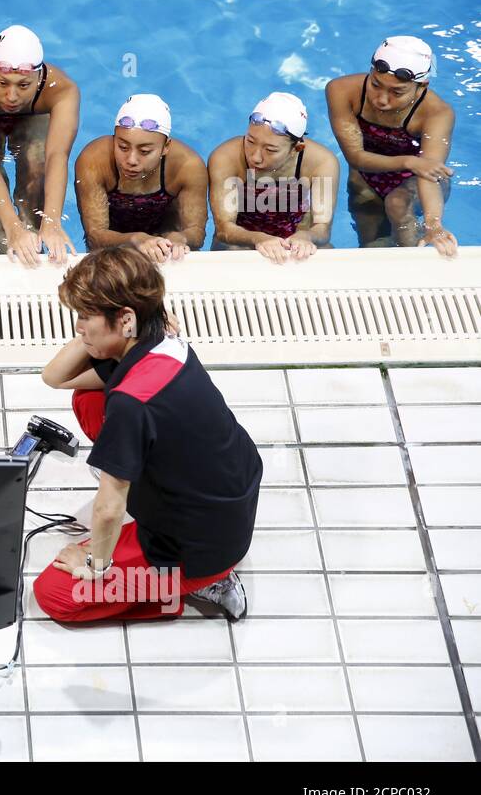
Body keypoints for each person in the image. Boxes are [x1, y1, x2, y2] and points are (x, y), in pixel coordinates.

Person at [34, 246, 260, 622]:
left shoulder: (131, 402)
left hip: (197, 546)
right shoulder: (164, 341)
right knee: (88, 398)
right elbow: (56, 377)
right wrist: (126, 317)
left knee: (56, 595)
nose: (77, 326)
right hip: (226, 496)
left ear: (125, 319)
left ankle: (201, 584)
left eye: (86, 316)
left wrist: (94, 565)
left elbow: (107, 511)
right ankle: (184, 574)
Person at [0, 24, 79, 265]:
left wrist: (52, 221)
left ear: (39, 76)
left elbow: (57, 156)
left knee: (37, 165)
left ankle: (36, 240)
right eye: (3, 83)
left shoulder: (62, 90)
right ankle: (5, 245)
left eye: (23, 85)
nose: (12, 97)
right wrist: (13, 228)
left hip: (33, 115)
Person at [325, 36, 457, 256]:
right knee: (369, 246)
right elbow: (356, 156)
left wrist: (433, 224)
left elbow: (430, 173)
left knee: (397, 205)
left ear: (421, 86)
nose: (382, 99)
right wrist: (410, 161)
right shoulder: (341, 90)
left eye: (397, 92)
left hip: (416, 181)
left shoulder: (437, 113)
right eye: (375, 84)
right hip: (366, 173)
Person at [207, 92, 339, 263]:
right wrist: (258, 239)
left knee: (327, 254)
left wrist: (306, 236)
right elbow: (224, 229)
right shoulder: (226, 157)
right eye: (250, 141)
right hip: (242, 239)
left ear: (296, 149)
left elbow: (322, 228)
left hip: (295, 239)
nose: (255, 157)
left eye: (270, 150)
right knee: (228, 251)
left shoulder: (322, 162)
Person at [73, 94, 207, 262]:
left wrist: (181, 238)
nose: (131, 160)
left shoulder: (188, 166)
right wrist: (135, 239)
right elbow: (95, 236)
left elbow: (196, 231)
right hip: (112, 246)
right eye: (122, 147)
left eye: (144, 151)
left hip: (165, 244)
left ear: (166, 147)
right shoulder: (93, 160)